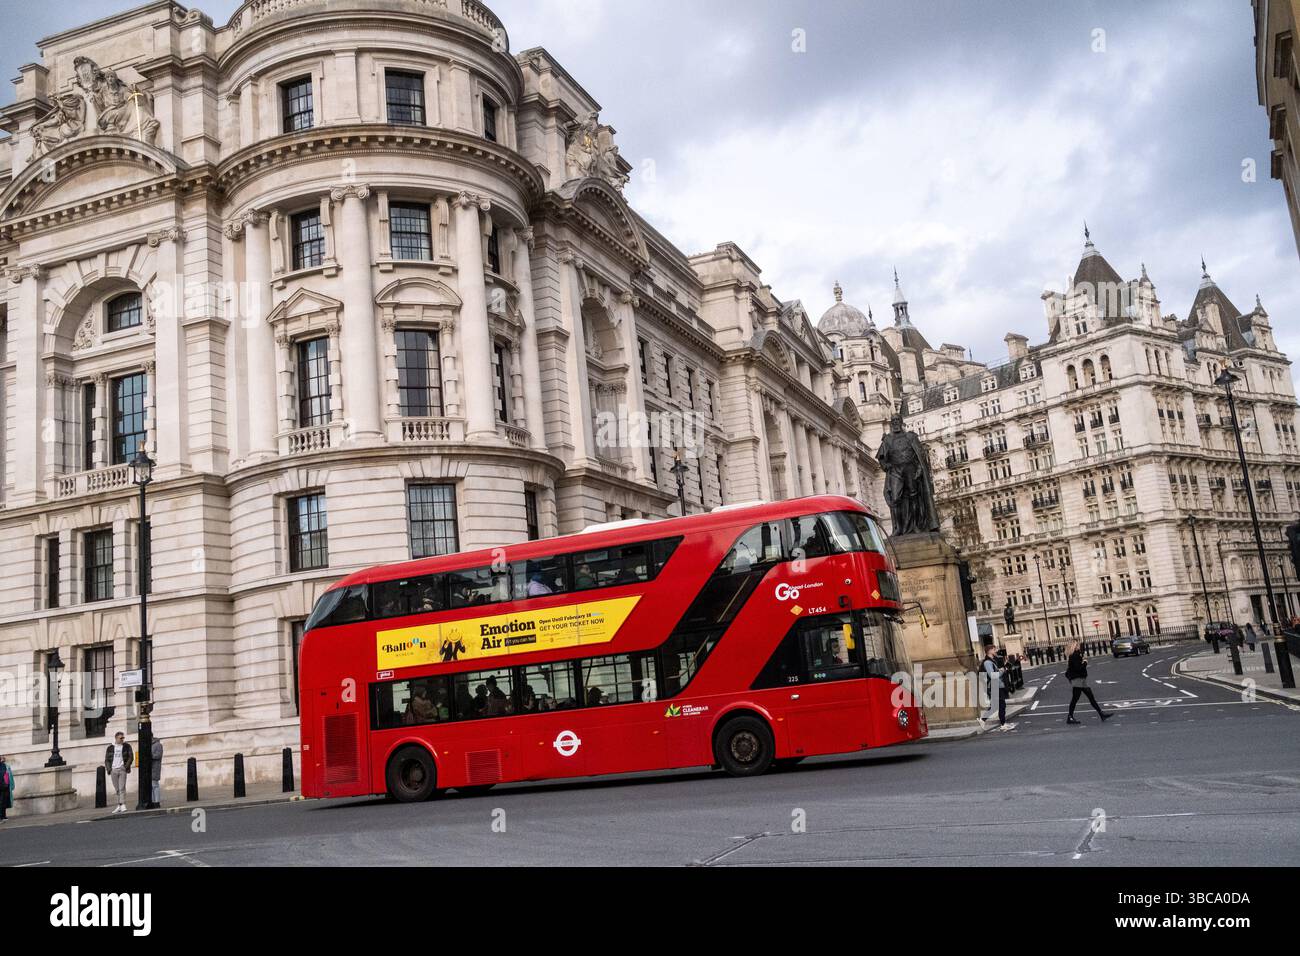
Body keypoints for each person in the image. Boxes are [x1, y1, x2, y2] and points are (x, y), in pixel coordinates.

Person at [1065, 641, 1111, 725]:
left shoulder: (1076, 654)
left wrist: (1082, 660)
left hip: (1081, 680)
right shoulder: (1074, 656)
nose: (1079, 646)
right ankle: (1070, 717)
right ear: (1074, 646)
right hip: (1077, 680)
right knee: (1075, 699)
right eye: (1078, 645)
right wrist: (1085, 662)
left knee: (1090, 697)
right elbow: (1078, 668)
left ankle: (1101, 714)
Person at [980, 645, 1015, 731]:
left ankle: (982, 719)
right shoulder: (987, 662)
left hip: (997, 686)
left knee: (996, 706)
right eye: (994, 649)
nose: (996, 651)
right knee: (1001, 705)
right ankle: (1003, 724)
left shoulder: (992, 661)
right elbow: (993, 675)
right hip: (994, 686)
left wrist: (1001, 669)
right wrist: (1002, 671)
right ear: (989, 651)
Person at [104, 731, 134, 813]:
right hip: (113, 770)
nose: (122, 739)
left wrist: (125, 767)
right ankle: (119, 805)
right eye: (121, 738)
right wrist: (109, 769)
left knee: (122, 788)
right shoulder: (110, 748)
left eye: (123, 738)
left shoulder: (127, 746)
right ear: (116, 738)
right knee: (117, 789)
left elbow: (131, 757)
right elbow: (107, 760)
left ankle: (123, 804)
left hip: (122, 769)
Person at [150, 737, 164, 809]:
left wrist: (150, 756)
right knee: (151, 786)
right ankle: (153, 801)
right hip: (149, 768)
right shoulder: (149, 745)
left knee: (155, 785)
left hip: (155, 767)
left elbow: (158, 755)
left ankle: (157, 802)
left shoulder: (158, 745)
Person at [0, 755, 13, 822]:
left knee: (3, 801)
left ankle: (3, 816)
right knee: (2, 801)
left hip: (4, 786)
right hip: (3, 786)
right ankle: (2, 816)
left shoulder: (4, 766)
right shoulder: (3, 766)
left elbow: (8, 776)